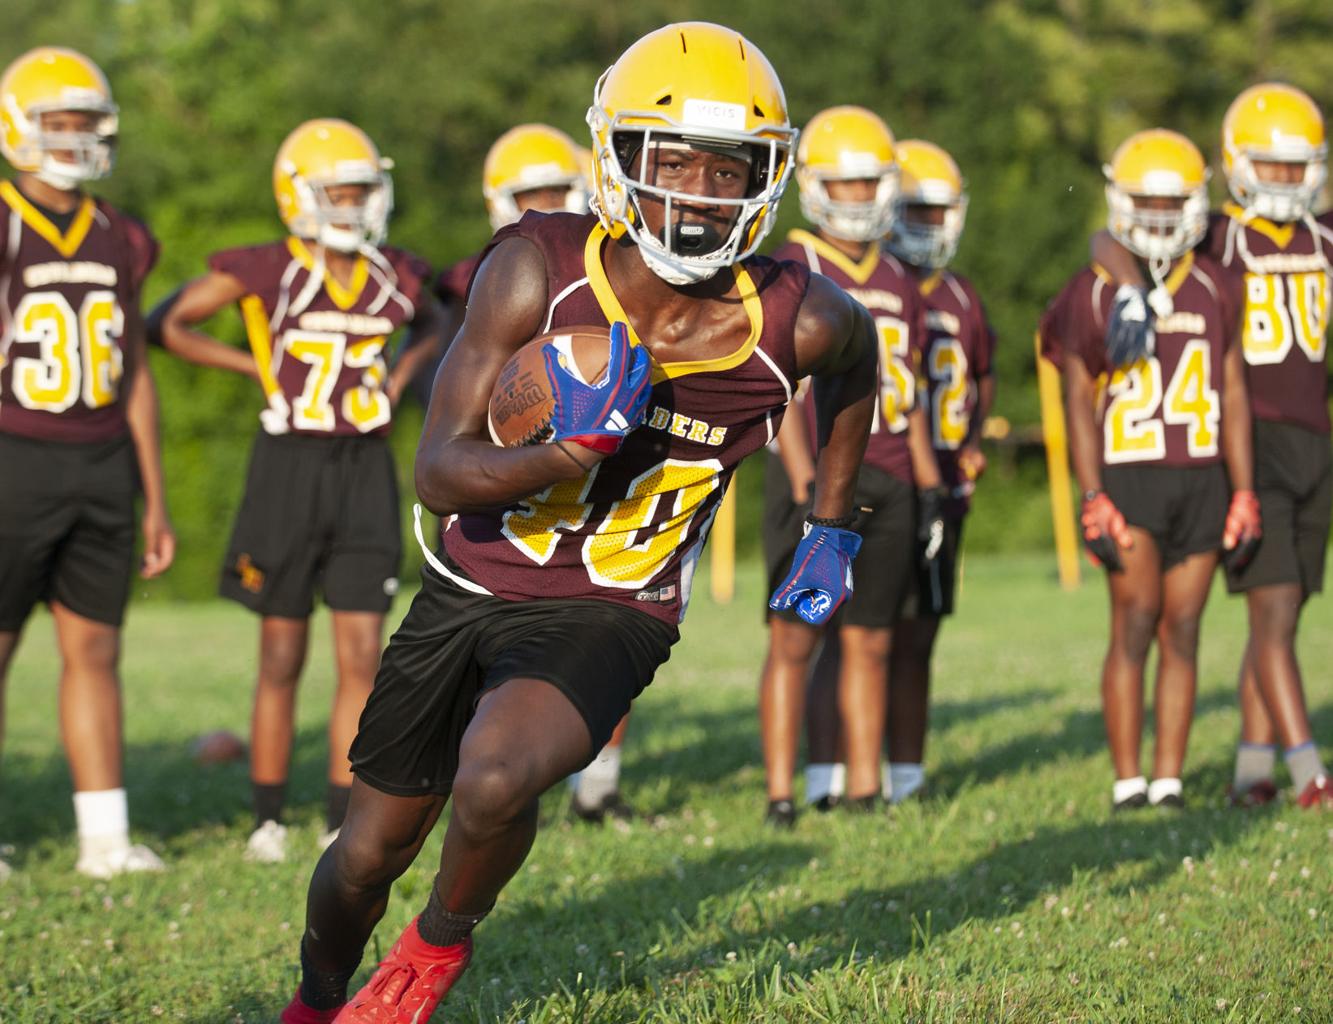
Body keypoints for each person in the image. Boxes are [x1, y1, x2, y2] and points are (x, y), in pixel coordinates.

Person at [278, 22, 877, 1023]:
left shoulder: (798, 316)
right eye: (671, 159)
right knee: (364, 853)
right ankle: (315, 996)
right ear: (619, 158)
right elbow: (436, 471)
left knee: (497, 775)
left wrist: (834, 524)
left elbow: (857, 374)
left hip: (613, 603)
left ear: (764, 182)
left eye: (724, 170)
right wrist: (560, 455)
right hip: (472, 581)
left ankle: (431, 952)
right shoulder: (536, 267)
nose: (693, 190)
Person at [150, 119, 445, 863]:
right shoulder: (265, 268)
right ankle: (267, 819)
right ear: (299, 195)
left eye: (360, 192)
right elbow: (168, 322)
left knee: (360, 650)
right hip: (286, 465)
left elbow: (441, 320)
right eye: (336, 192)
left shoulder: (395, 273)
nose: (351, 205)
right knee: (280, 652)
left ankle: (340, 816)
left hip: (364, 468)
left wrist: (403, 376)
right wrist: (252, 368)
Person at [1091, 85, 1332, 809]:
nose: (1286, 180)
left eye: (1297, 167)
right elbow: (1111, 236)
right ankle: (1304, 772)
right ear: (1238, 164)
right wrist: (1130, 284)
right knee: (1274, 608)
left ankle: (1250, 772)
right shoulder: (1220, 234)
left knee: (1282, 613)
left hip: (1313, 441)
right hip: (1247, 440)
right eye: (1272, 165)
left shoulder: (1324, 238)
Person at [1043, 128, 1258, 811]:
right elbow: (1077, 396)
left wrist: (1244, 488)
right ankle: (1126, 779)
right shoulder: (1095, 288)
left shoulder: (1216, 284)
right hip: (1129, 476)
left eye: (1173, 202)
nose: (1161, 216)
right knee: (1133, 621)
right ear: (1119, 199)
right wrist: (1093, 492)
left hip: (1199, 475)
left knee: (1184, 628)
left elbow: (1231, 392)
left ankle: (1167, 780)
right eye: (1146, 201)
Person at [0, 47, 174, 879]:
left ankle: (104, 839)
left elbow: (134, 368)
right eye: (56, 122)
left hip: (102, 458)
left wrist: (156, 496)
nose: (72, 139)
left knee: (96, 651)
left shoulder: (122, 234)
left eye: (84, 123)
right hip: (12, 452)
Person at [760, 105, 944, 825]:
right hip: (814, 474)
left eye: (871, 185)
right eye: (847, 184)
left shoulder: (900, 277)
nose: (861, 199)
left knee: (870, 638)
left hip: (890, 471)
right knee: (796, 637)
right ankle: (783, 790)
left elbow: (915, 394)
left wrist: (928, 486)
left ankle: (863, 786)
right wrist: (805, 478)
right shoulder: (792, 265)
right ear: (814, 185)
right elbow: (776, 390)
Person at [882, 139, 997, 804]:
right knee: (859, 638)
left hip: (946, 488)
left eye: (935, 211)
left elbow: (983, 375)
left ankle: (907, 773)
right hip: (885, 481)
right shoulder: (875, 288)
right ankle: (842, 769)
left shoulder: (960, 295)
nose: (926, 225)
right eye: (912, 210)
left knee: (919, 637)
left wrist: (975, 438)